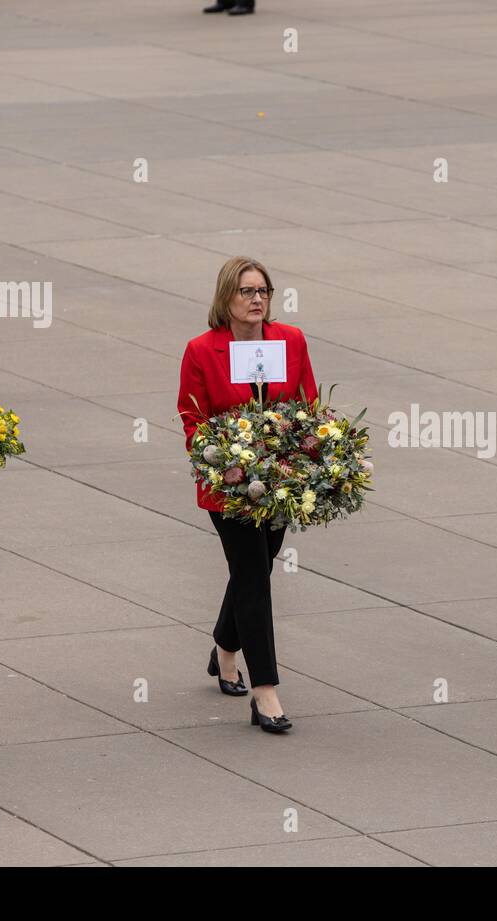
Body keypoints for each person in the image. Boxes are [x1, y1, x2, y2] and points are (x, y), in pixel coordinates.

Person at [178, 256, 315, 733]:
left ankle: (224, 648)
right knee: (254, 577)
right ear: (226, 299)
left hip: (279, 482)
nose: (257, 300)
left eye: (264, 291)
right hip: (230, 488)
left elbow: (307, 404)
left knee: (253, 568)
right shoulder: (202, 349)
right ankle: (266, 692)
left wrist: (309, 451)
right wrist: (225, 459)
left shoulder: (290, 340)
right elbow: (191, 420)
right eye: (247, 292)